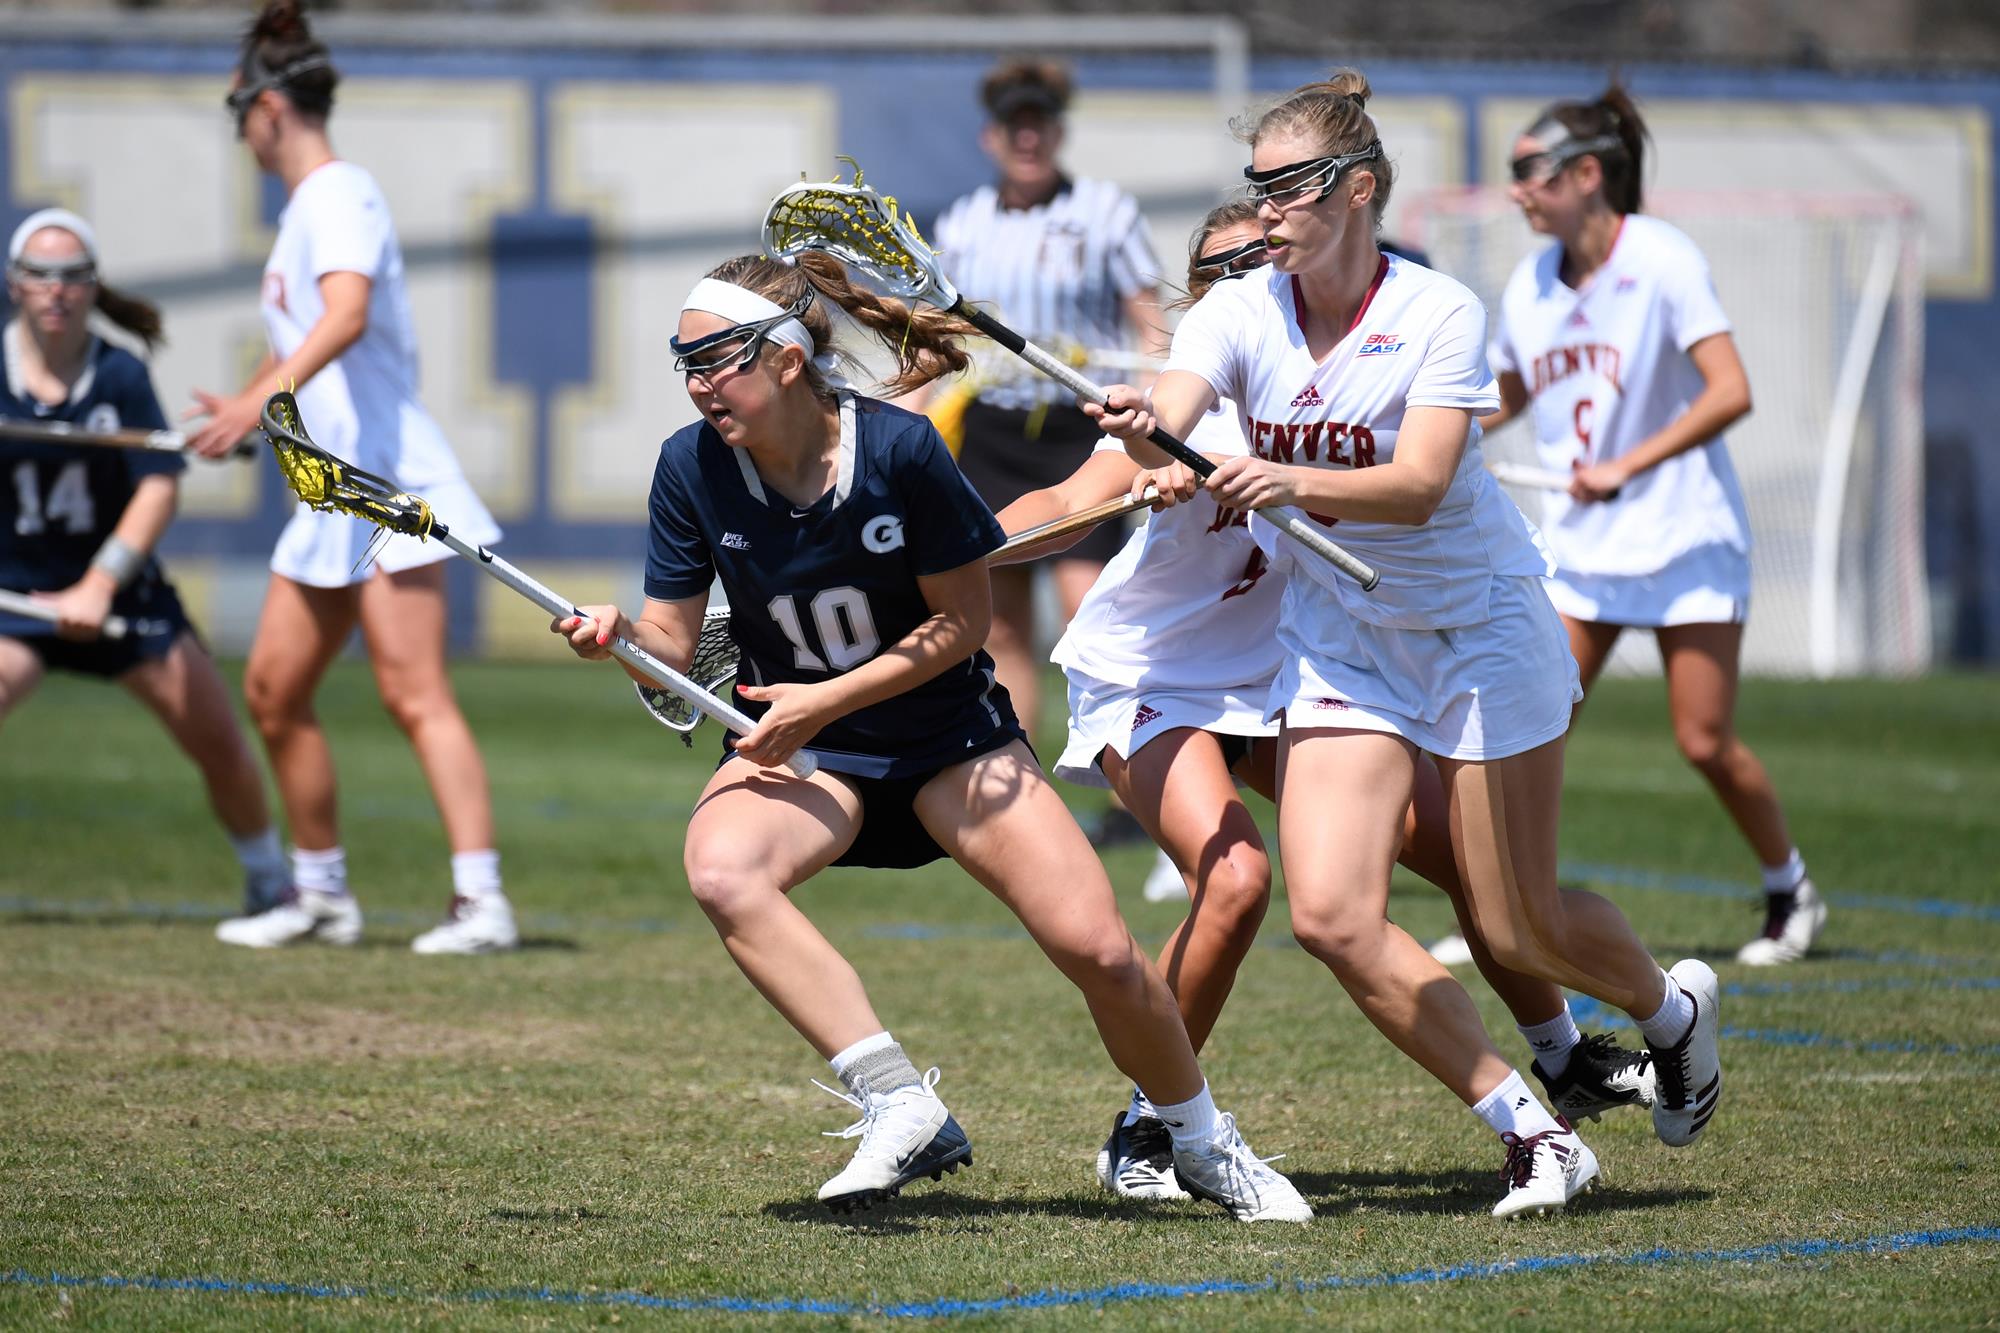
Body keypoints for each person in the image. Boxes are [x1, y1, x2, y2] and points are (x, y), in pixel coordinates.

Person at [551, 252, 1309, 1221]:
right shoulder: (688, 467)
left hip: (951, 741)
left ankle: (1201, 1141)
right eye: (683, 363)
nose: (699, 383)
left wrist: (821, 701)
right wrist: (615, 638)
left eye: (717, 359)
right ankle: (898, 1101)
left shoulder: (901, 450)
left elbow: (960, 623)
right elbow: (667, 637)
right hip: (814, 755)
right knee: (720, 867)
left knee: (1103, 953)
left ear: (786, 360)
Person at [1090, 70, 1727, 1215]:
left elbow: (1423, 482)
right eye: (1255, 189)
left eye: (1286, 188)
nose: (1266, 210)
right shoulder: (1239, 309)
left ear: (1358, 189)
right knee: (1331, 914)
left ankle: (1670, 1012)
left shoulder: (1435, 311)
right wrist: (1148, 428)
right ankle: (1535, 1133)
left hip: (1478, 625)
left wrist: (1286, 477)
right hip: (1342, 637)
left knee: (1510, 916)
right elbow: (1177, 409)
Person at [1009, 200, 1651, 1216]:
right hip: (1155, 675)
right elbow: (1066, 498)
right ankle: (1151, 1122)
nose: (1249, 281)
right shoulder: (1187, 400)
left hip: (1283, 670)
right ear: (1195, 302)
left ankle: (1559, 1054)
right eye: (1221, 270)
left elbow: (1418, 481)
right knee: (1234, 881)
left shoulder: (1332, 386)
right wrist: (964, 550)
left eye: (1261, 260)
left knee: (1446, 848)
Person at [187, 0, 516, 954]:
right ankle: (322, 893)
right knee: (275, 689)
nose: (240, 131)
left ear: (268, 108)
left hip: (391, 486)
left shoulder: (338, 193)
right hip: (333, 492)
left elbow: (347, 318)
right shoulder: (308, 210)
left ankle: (481, 900)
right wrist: (243, 403)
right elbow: (303, 343)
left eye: (237, 110)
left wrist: (260, 404)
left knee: (413, 690)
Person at [1485, 85, 1823, 967]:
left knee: (1701, 738)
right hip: (1584, 554)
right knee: (1531, 719)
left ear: (1587, 174)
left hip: (1685, 539)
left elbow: (1730, 389)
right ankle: (1506, 902)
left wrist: (1629, 465)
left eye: (1530, 171)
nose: (1516, 189)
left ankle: (1790, 886)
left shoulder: (1663, 260)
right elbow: (1508, 393)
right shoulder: (1529, 286)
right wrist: (1425, 430)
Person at [0, 210, 287, 912]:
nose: (56, 290)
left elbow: (158, 485)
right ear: (16, 284)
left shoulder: (120, 374)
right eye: (41, 274)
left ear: (94, 286)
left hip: (121, 595)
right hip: (15, 597)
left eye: (72, 275)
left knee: (217, 738)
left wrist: (99, 584)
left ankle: (272, 881)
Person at [930, 58, 1170, 762]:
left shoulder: (1104, 212)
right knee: (998, 623)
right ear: (991, 137)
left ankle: (1134, 776)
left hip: (1079, 429)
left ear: (1058, 131)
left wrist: (1163, 401)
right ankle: (1019, 772)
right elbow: (943, 337)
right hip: (991, 432)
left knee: (1089, 609)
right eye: (1014, 125)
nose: (1027, 138)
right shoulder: (965, 221)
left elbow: (1147, 320)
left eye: (1039, 124)